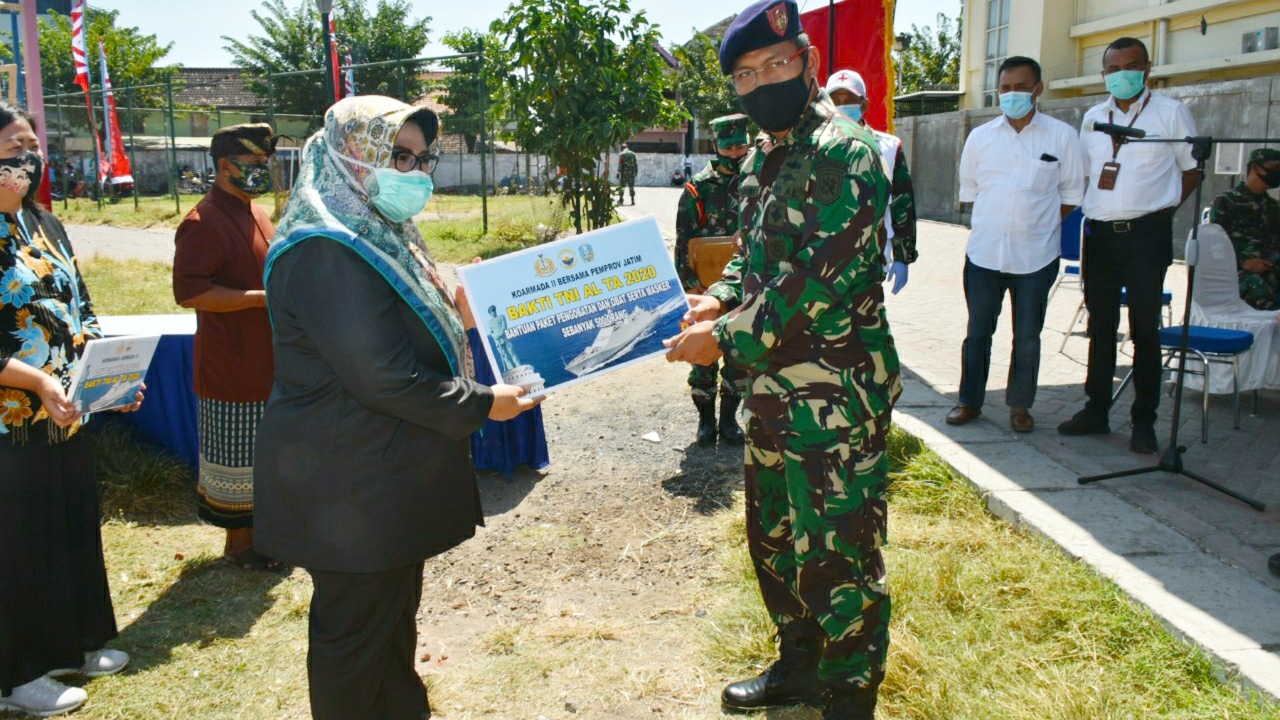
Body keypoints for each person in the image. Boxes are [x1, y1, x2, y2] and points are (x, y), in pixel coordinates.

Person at [253, 95, 539, 720]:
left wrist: (464, 313)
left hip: (376, 478)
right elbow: (382, 377)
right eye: (396, 156)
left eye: (419, 159)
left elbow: (394, 328)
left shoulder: (375, 230)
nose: (412, 174)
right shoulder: (325, 247)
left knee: (389, 625)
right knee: (354, 639)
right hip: (349, 487)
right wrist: (486, 402)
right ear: (349, 154)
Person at [663, 3, 896, 717]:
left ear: (806, 59)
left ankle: (849, 692)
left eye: (775, 65)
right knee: (777, 539)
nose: (762, 82)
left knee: (840, 551)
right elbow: (758, 259)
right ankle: (798, 664)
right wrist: (716, 299)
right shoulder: (765, 152)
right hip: (771, 391)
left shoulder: (845, 152)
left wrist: (724, 338)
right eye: (745, 74)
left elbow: (819, 278)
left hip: (834, 391)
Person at [0, 101, 140, 717]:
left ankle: (75, 643)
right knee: (17, 544)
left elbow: (81, 308)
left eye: (32, 146)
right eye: (13, 149)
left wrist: (110, 376)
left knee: (70, 528)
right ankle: (17, 675)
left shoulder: (46, 224)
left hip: (66, 411)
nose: (28, 159)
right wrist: (33, 381)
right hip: (11, 422)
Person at [1058, 37, 1200, 454]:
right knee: (1099, 328)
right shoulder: (1091, 118)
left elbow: (1191, 170)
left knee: (1145, 331)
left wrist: (1163, 210)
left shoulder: (1171, 113)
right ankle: (1096, 410)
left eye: (1131, 66)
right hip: (1100, 236)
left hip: (1146, 236)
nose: (1122, 75)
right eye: (1113, 68)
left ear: (1147, 69)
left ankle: (1144, 421)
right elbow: (1086, 174)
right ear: (1103, 75)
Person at [946, 57, 1085, 433]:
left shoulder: (1061, 137)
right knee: (977, 334)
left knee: (1026, 338)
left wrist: (1037, 225)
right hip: (985, 255)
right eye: (1005, 88)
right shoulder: (980, 138)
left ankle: (1020, 406)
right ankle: (969, 401)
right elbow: (971, 193)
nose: (1011, 95)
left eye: (1020, 88)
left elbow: (1071, 193)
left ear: (1038, 89)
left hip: (1036, 258)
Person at [172, 123, 283, 571]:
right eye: (254, 164)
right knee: (237, 461)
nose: (261, 172)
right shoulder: (203, 221)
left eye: (264, 165)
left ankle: (267, 538)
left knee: (265, 458)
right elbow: (191, 292)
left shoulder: (255, 212)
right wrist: (261, 300)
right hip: (230, 366)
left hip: (266, 361)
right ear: (224, 166)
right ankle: (240, 547)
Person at [673, 113, 750, 447]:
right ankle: (706, 423)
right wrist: (689, 286)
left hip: (744, 287)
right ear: (716, 145)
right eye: (728, 146)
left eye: (740, 145)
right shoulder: (697, 189)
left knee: (738, 356)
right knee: (703, 360)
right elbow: (682, 242)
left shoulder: (758, 179)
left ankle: (729, 421)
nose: (735, 153)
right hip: (704, 287)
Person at [824, 69, 918, 294]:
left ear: (864, 105)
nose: (841, 106)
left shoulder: (888, 147)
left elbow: (902, 203)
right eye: (835, 100)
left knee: (866, 327)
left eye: (849, 100)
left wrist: (903, 256)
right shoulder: (812, 147)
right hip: (822, 263)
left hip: (870, 262)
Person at [1208, 147, 1280, 310]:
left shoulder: (1274, 207)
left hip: (1272, 273)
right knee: (1260, 291)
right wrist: (1243, 262)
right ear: (1256, 168)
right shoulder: (1227, 202)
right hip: (1238, 275)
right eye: (1275, 168)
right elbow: (1212, 246)